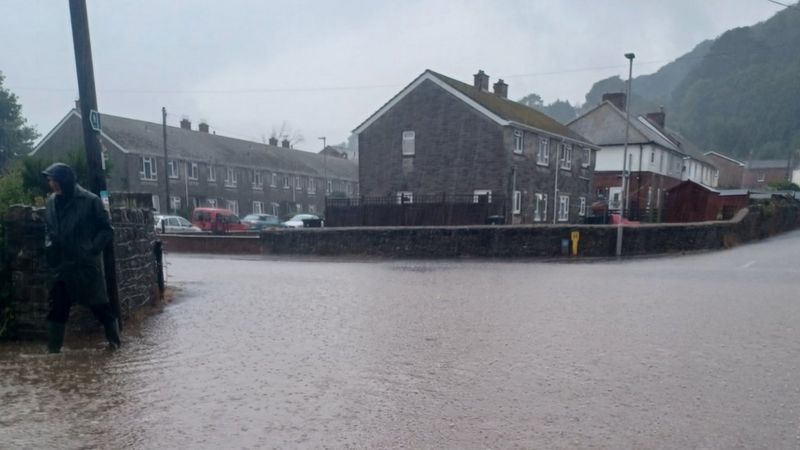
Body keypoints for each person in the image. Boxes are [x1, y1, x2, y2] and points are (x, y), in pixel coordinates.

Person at [42, 162, 121, 353]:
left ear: (65, 181)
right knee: (57, 309)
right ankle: (53, 353)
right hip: (61, 266)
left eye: (54, 180)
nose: (51, 184)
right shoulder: (51, 202)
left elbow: (106, 229)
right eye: (50, 180)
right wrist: (49, 245)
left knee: (100, 307)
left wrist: (92, 249)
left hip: (85, 265)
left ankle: (115, 344)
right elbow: (48, 228)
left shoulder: (90, 200)